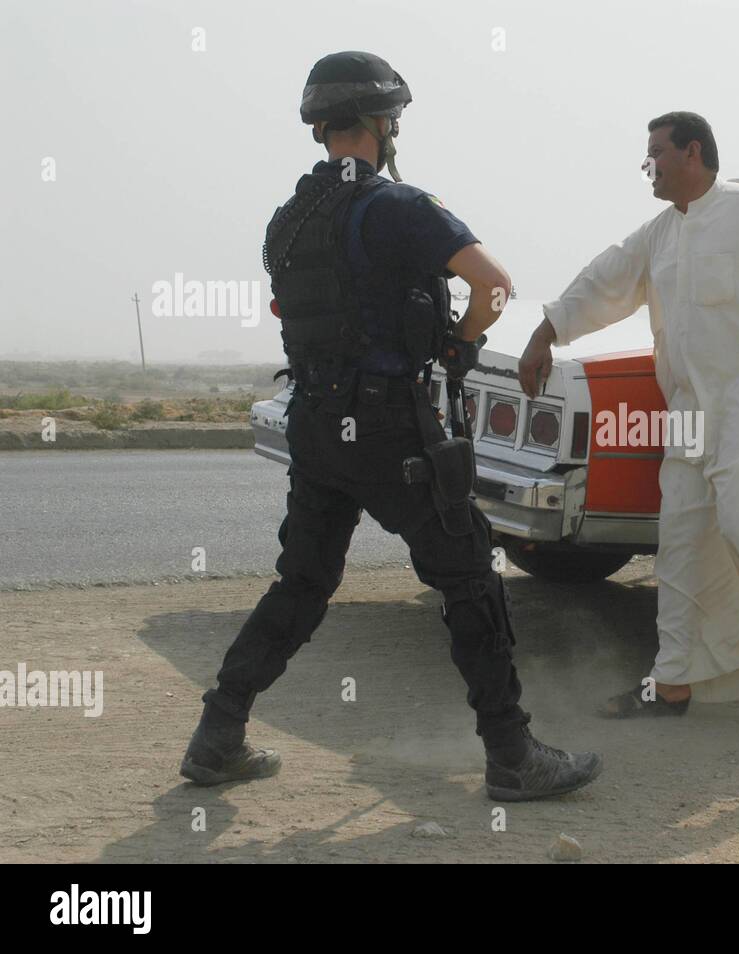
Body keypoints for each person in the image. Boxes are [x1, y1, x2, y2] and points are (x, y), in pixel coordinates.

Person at [181, 51, 601, 801]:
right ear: (383, 123)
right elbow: (493, 286)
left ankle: (219, 732)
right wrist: (460, 343)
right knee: (469, 577)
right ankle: (512, 755)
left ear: (322, 127)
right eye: (393, 120)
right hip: (390, 432)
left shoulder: (288, 221)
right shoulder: (398, 205)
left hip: (316, 424)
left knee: (303, 583)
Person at [518, 112, 739, 722]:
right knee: (679, 542)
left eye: (656, 152)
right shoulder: (659, 234)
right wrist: (544, 333)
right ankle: (672, 682)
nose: (647, 164)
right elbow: (604, 280)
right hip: (687, 410)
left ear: (694, 152)